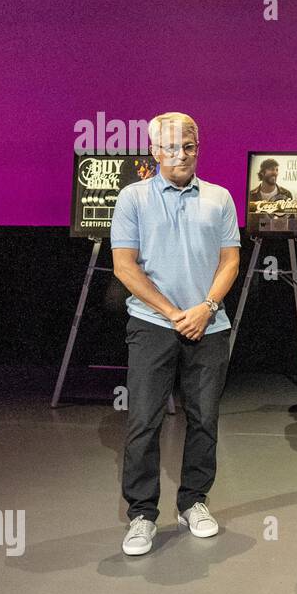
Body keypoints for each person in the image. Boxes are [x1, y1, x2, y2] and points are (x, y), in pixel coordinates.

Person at [110, 112, 241, 556]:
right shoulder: (132, 198)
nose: (180, 154)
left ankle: (194, 503)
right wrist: (171, 312)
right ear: (154, 151)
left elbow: (230, 261)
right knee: (143, 420)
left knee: (204, 419)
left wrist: (204, 309)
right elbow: (124, 266)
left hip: (210, 325)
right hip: (152, 326)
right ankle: (143, 514)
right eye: (169, 146)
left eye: (188, 145)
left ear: (197, 147)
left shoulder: (220, 198)